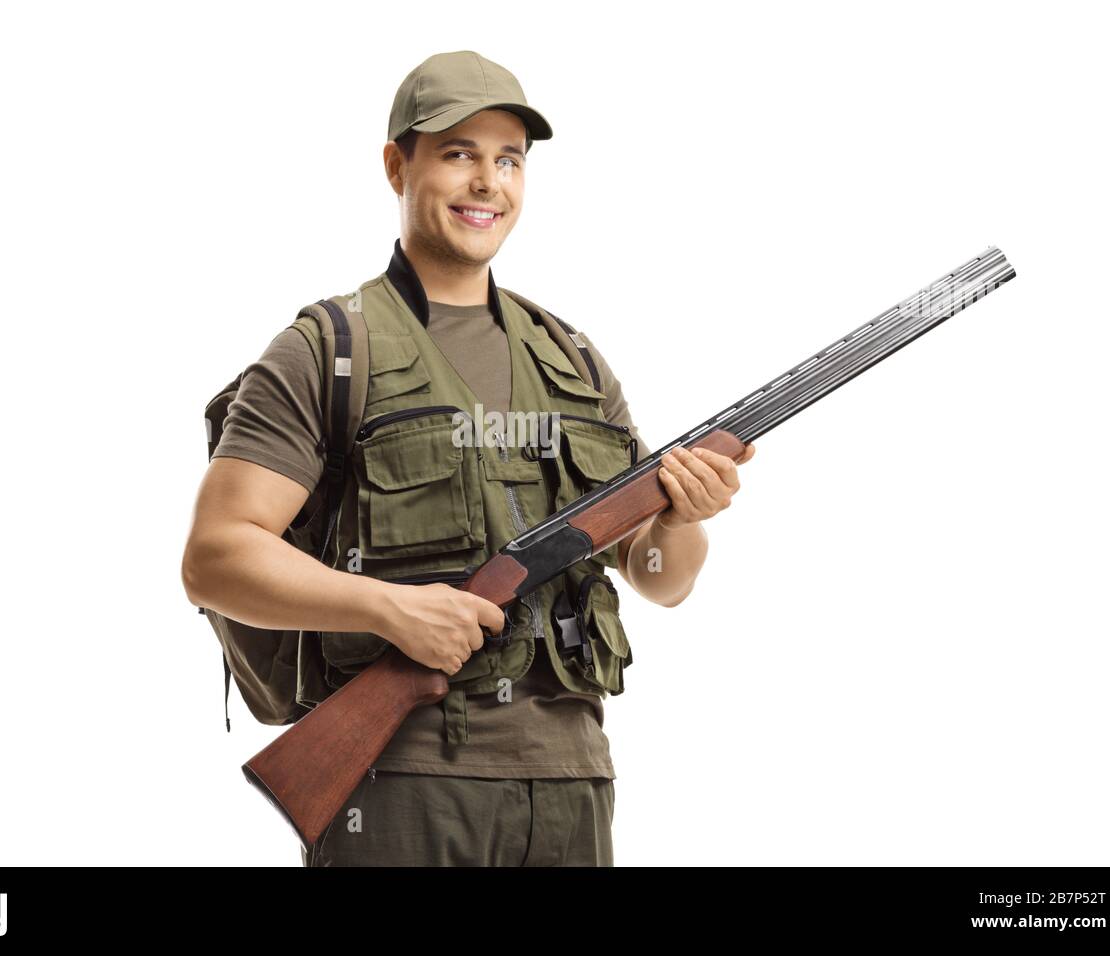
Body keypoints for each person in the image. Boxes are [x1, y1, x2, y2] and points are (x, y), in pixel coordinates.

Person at [181, 50, 754, 867]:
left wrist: (687, 517)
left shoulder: (575, 362)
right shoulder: (331, 350)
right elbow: (214, 559)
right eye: (458, 154)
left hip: (573, 783)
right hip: (403, 785)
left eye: (509, 159)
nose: (489, 182)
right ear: (396, 166)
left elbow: (661, 578)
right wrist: (390, 609)